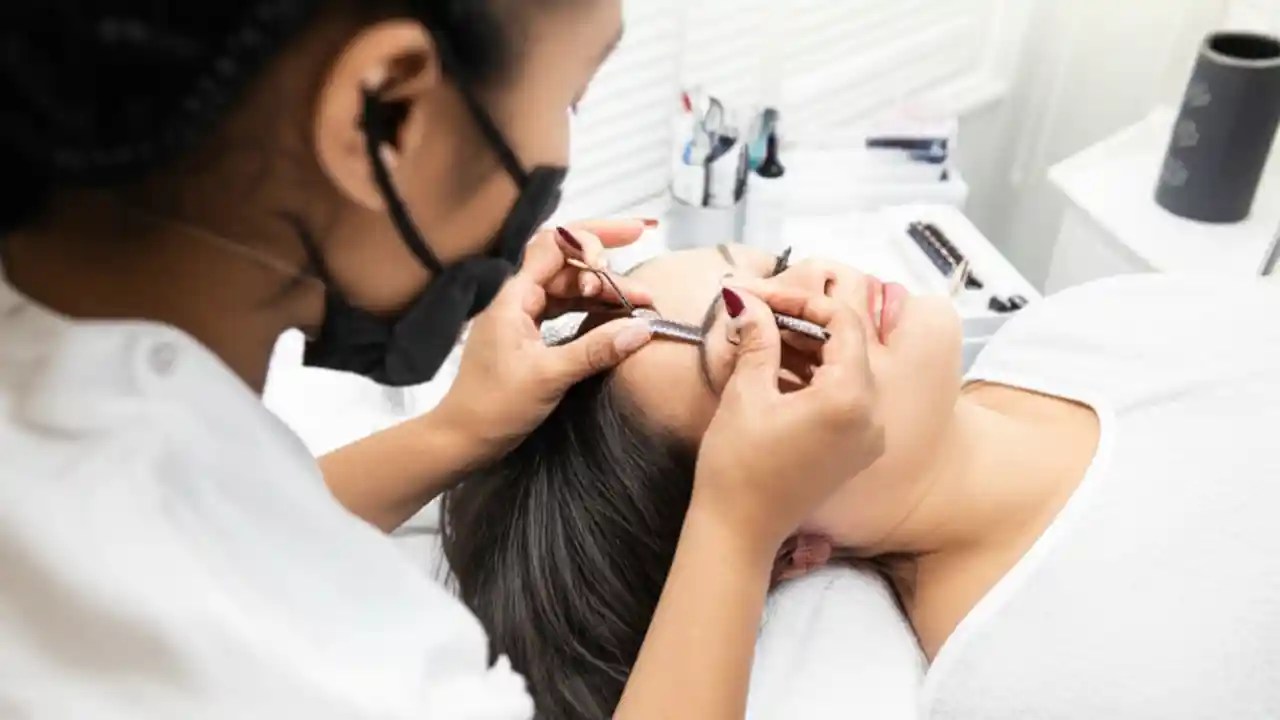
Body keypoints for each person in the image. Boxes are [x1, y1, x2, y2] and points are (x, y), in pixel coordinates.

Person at [0, 3, 885, 718]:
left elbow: (211, 510)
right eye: (572, 96)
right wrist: (735, 529)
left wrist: (455, 431)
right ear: (385, 111)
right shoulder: (316, 677)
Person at [443, 244, 1280, 718]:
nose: (823, 289)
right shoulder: (1048, 686)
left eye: (774, 260)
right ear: (790, 548)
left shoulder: (1084, 325)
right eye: (758, 341)